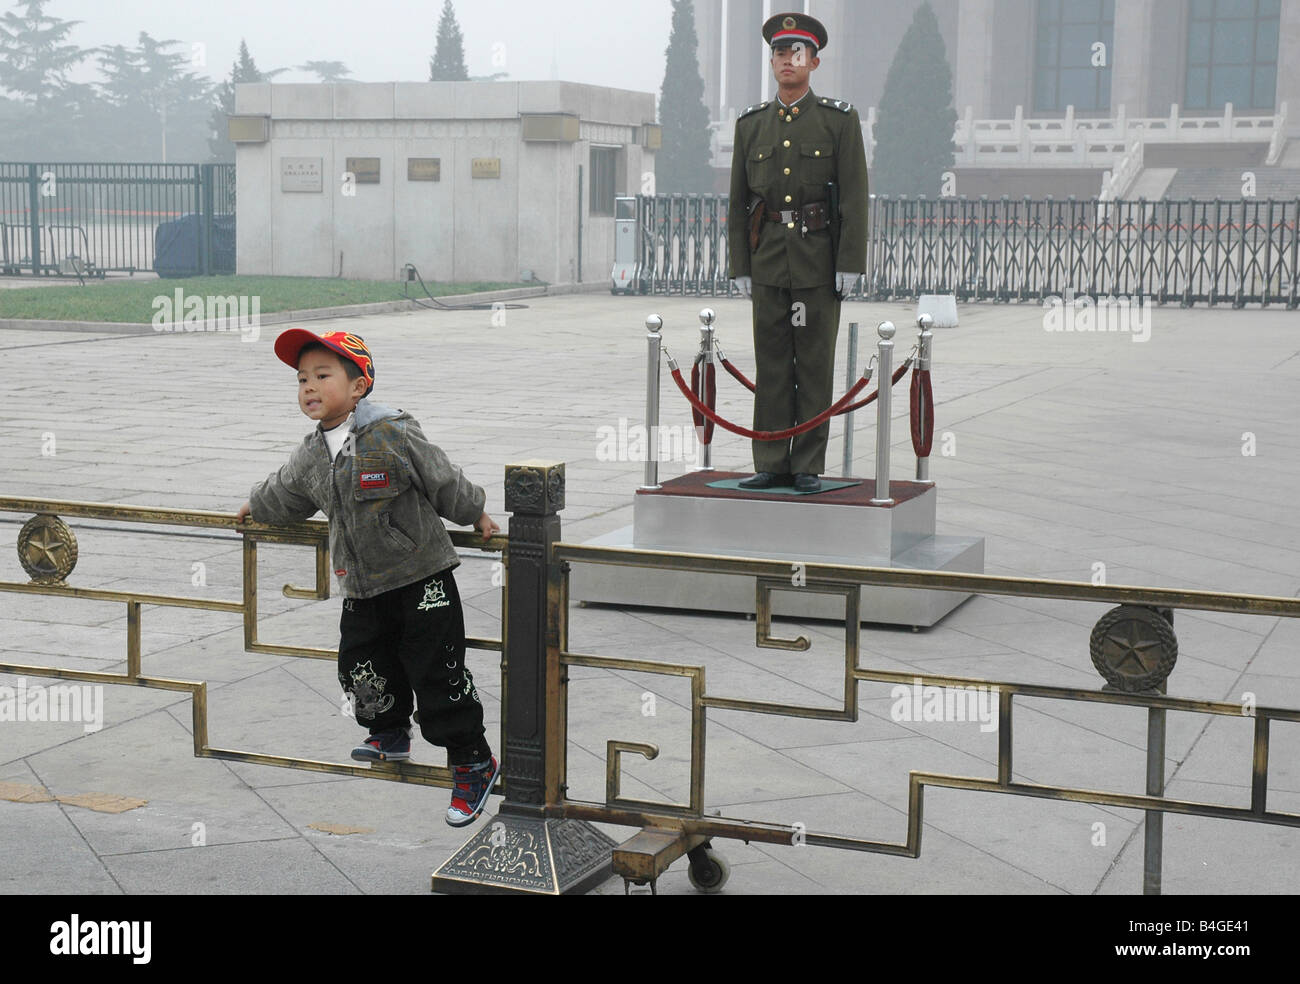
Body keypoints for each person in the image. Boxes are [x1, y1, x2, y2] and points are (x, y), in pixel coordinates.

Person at [235, 328, 502, 828]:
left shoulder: (393, 432)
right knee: (360, 664)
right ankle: (389, 732)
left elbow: (444, 480)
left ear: (359, 386)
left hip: (421, 580)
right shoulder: (313, 452)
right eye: (301, 380)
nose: (308, 387)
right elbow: (286, 492)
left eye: (322, 376)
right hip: (361, 587)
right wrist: (256, 503)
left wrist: (476, 513)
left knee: (437, 673)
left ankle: (472, 761)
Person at [727, 11, 869, 493]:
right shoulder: (751, 126)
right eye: (780, 53)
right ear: (772, 62)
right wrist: (740, 266)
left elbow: (853, 197)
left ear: (815, 61)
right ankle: (770, 460)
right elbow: (738, 201)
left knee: (811, 363)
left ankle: (806, 463)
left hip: (816, 265)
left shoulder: (839, 121)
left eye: (797, 52)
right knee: (770, 362)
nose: (787, 60)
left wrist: (850, 261)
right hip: (768, 262)